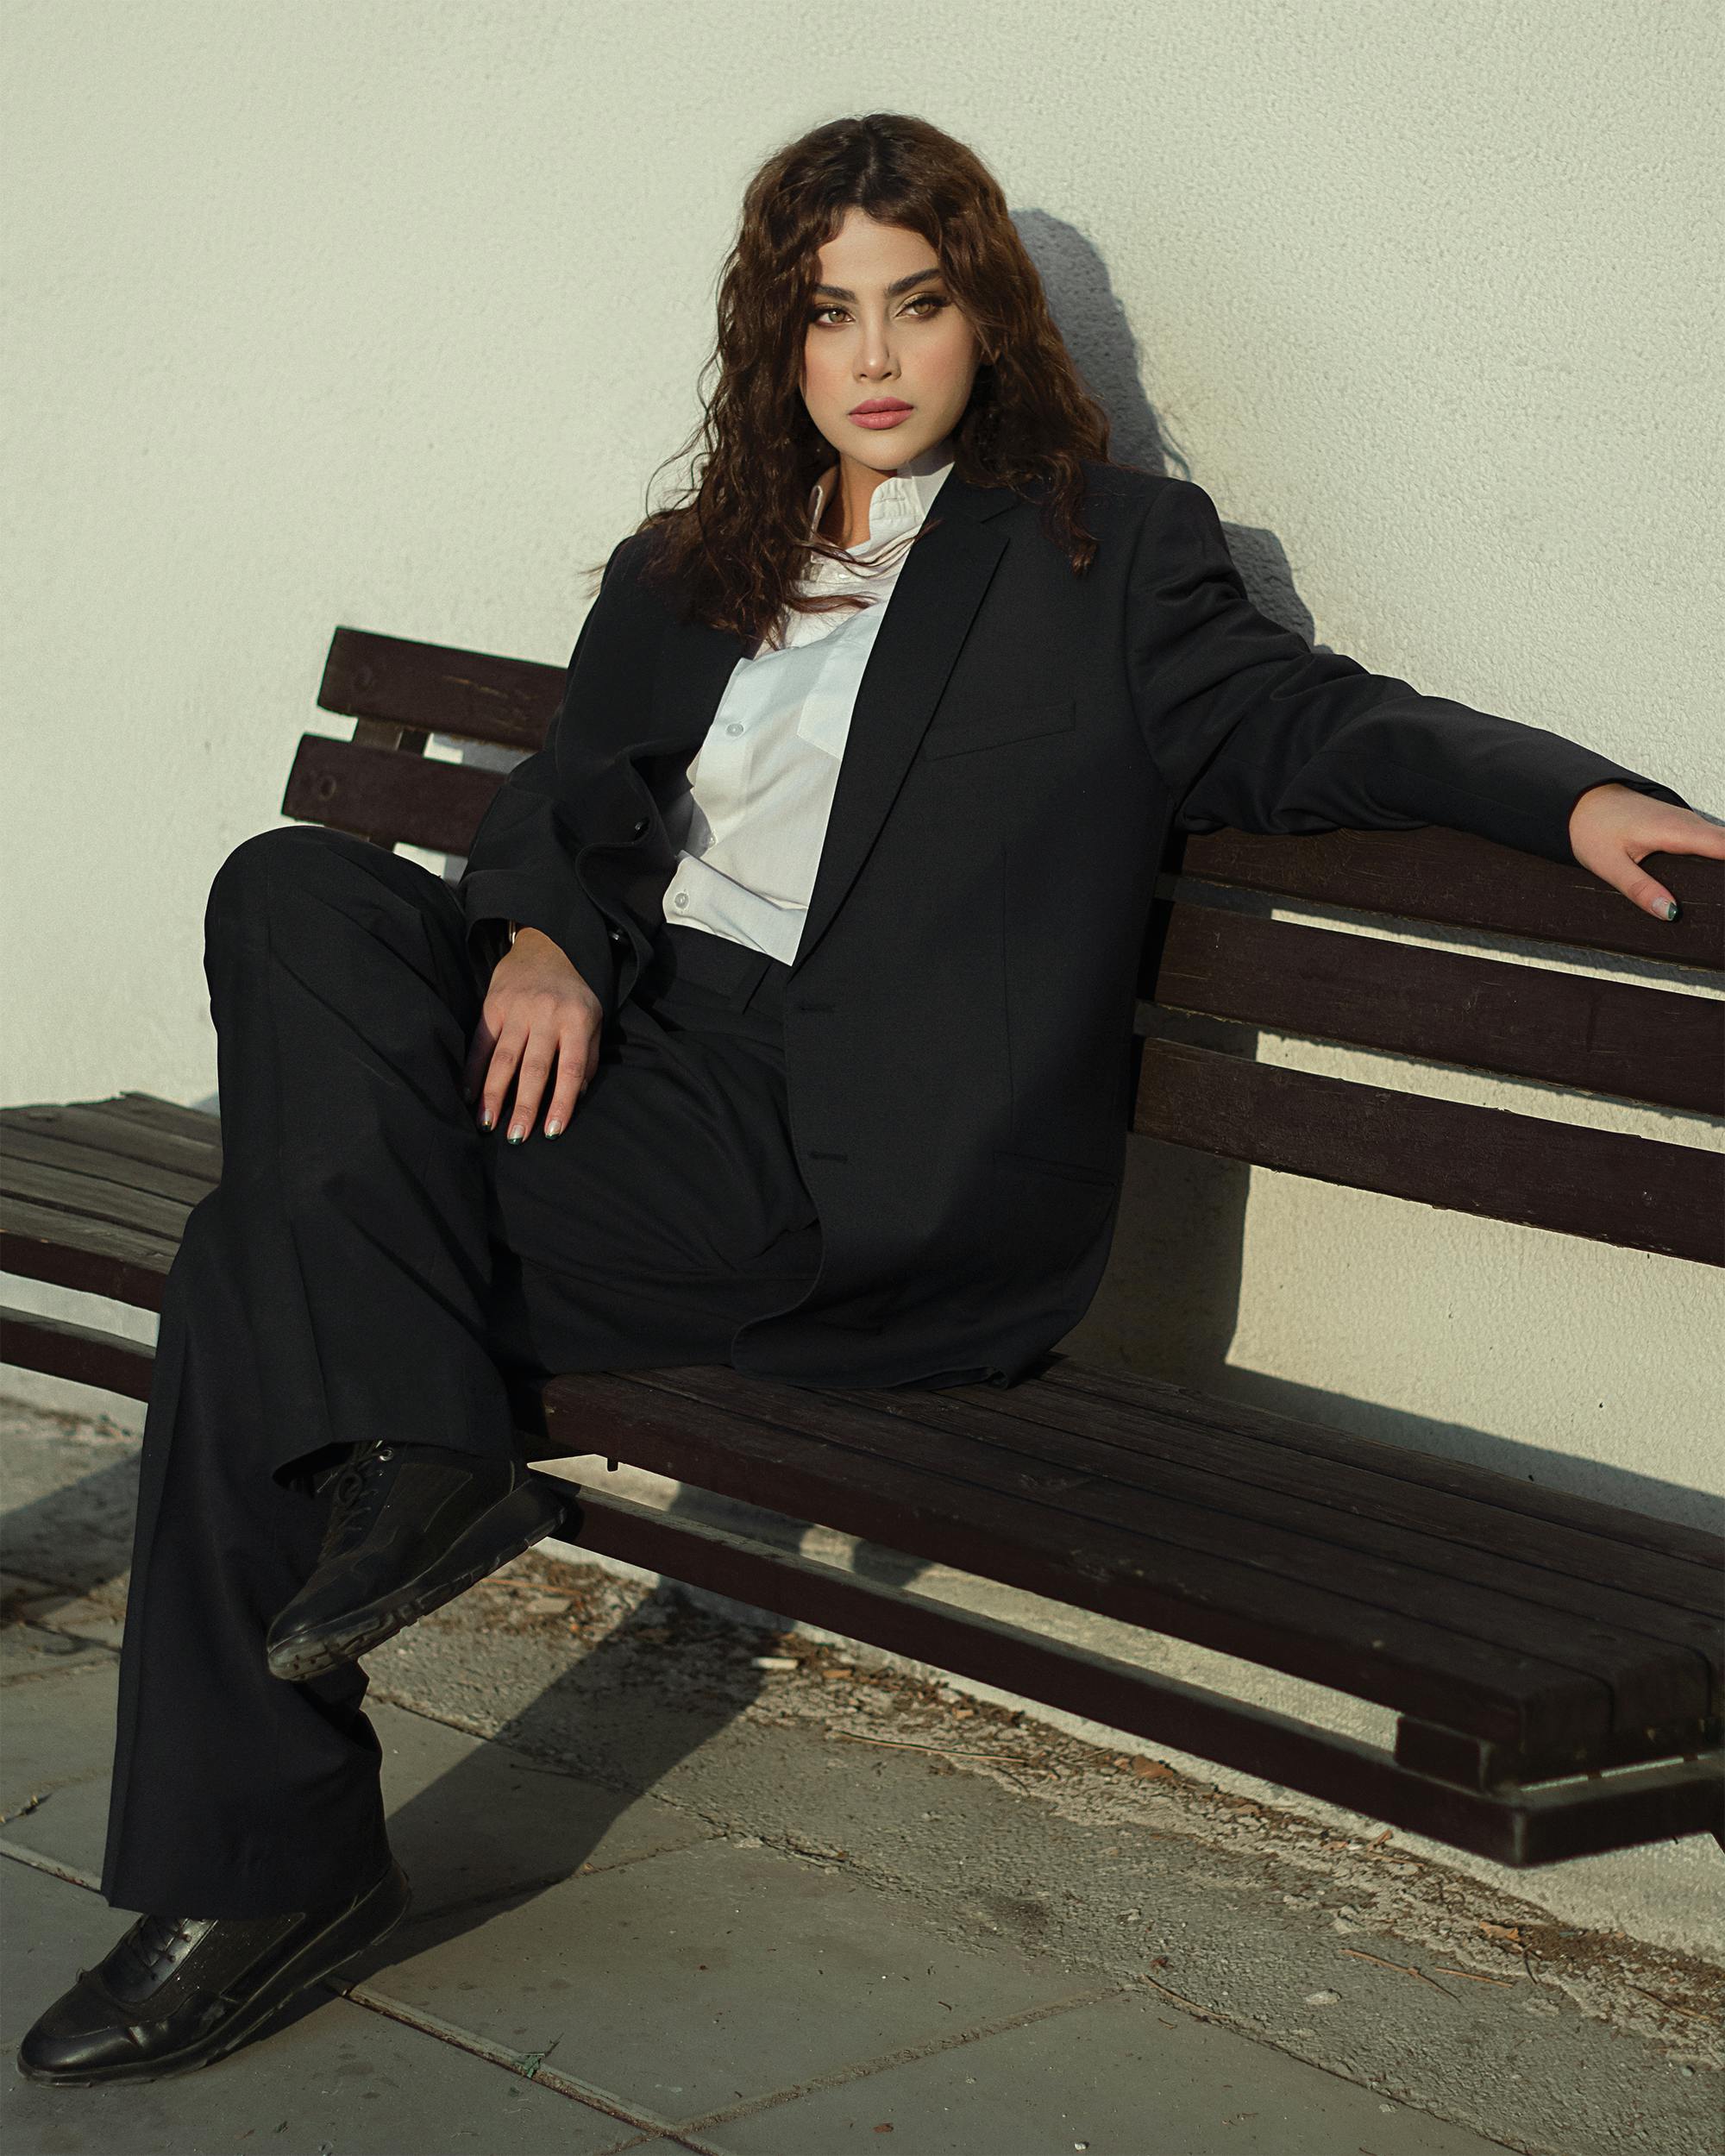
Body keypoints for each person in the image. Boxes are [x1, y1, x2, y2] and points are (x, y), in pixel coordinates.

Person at [17, 110, 1716, 2088]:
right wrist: (541, 940)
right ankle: (410, 1470)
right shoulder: (695, 565)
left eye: (917, 304)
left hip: (838, 1160)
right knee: (286, 880)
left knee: (255, 1250)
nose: (879, 355)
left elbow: (1310, 722)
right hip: (625, 1064)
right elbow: (562, 805)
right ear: (779, 339)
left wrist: (1565, 790)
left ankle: (266, 1851)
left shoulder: (1100, 557)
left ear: (985, 318)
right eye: (831, 313)